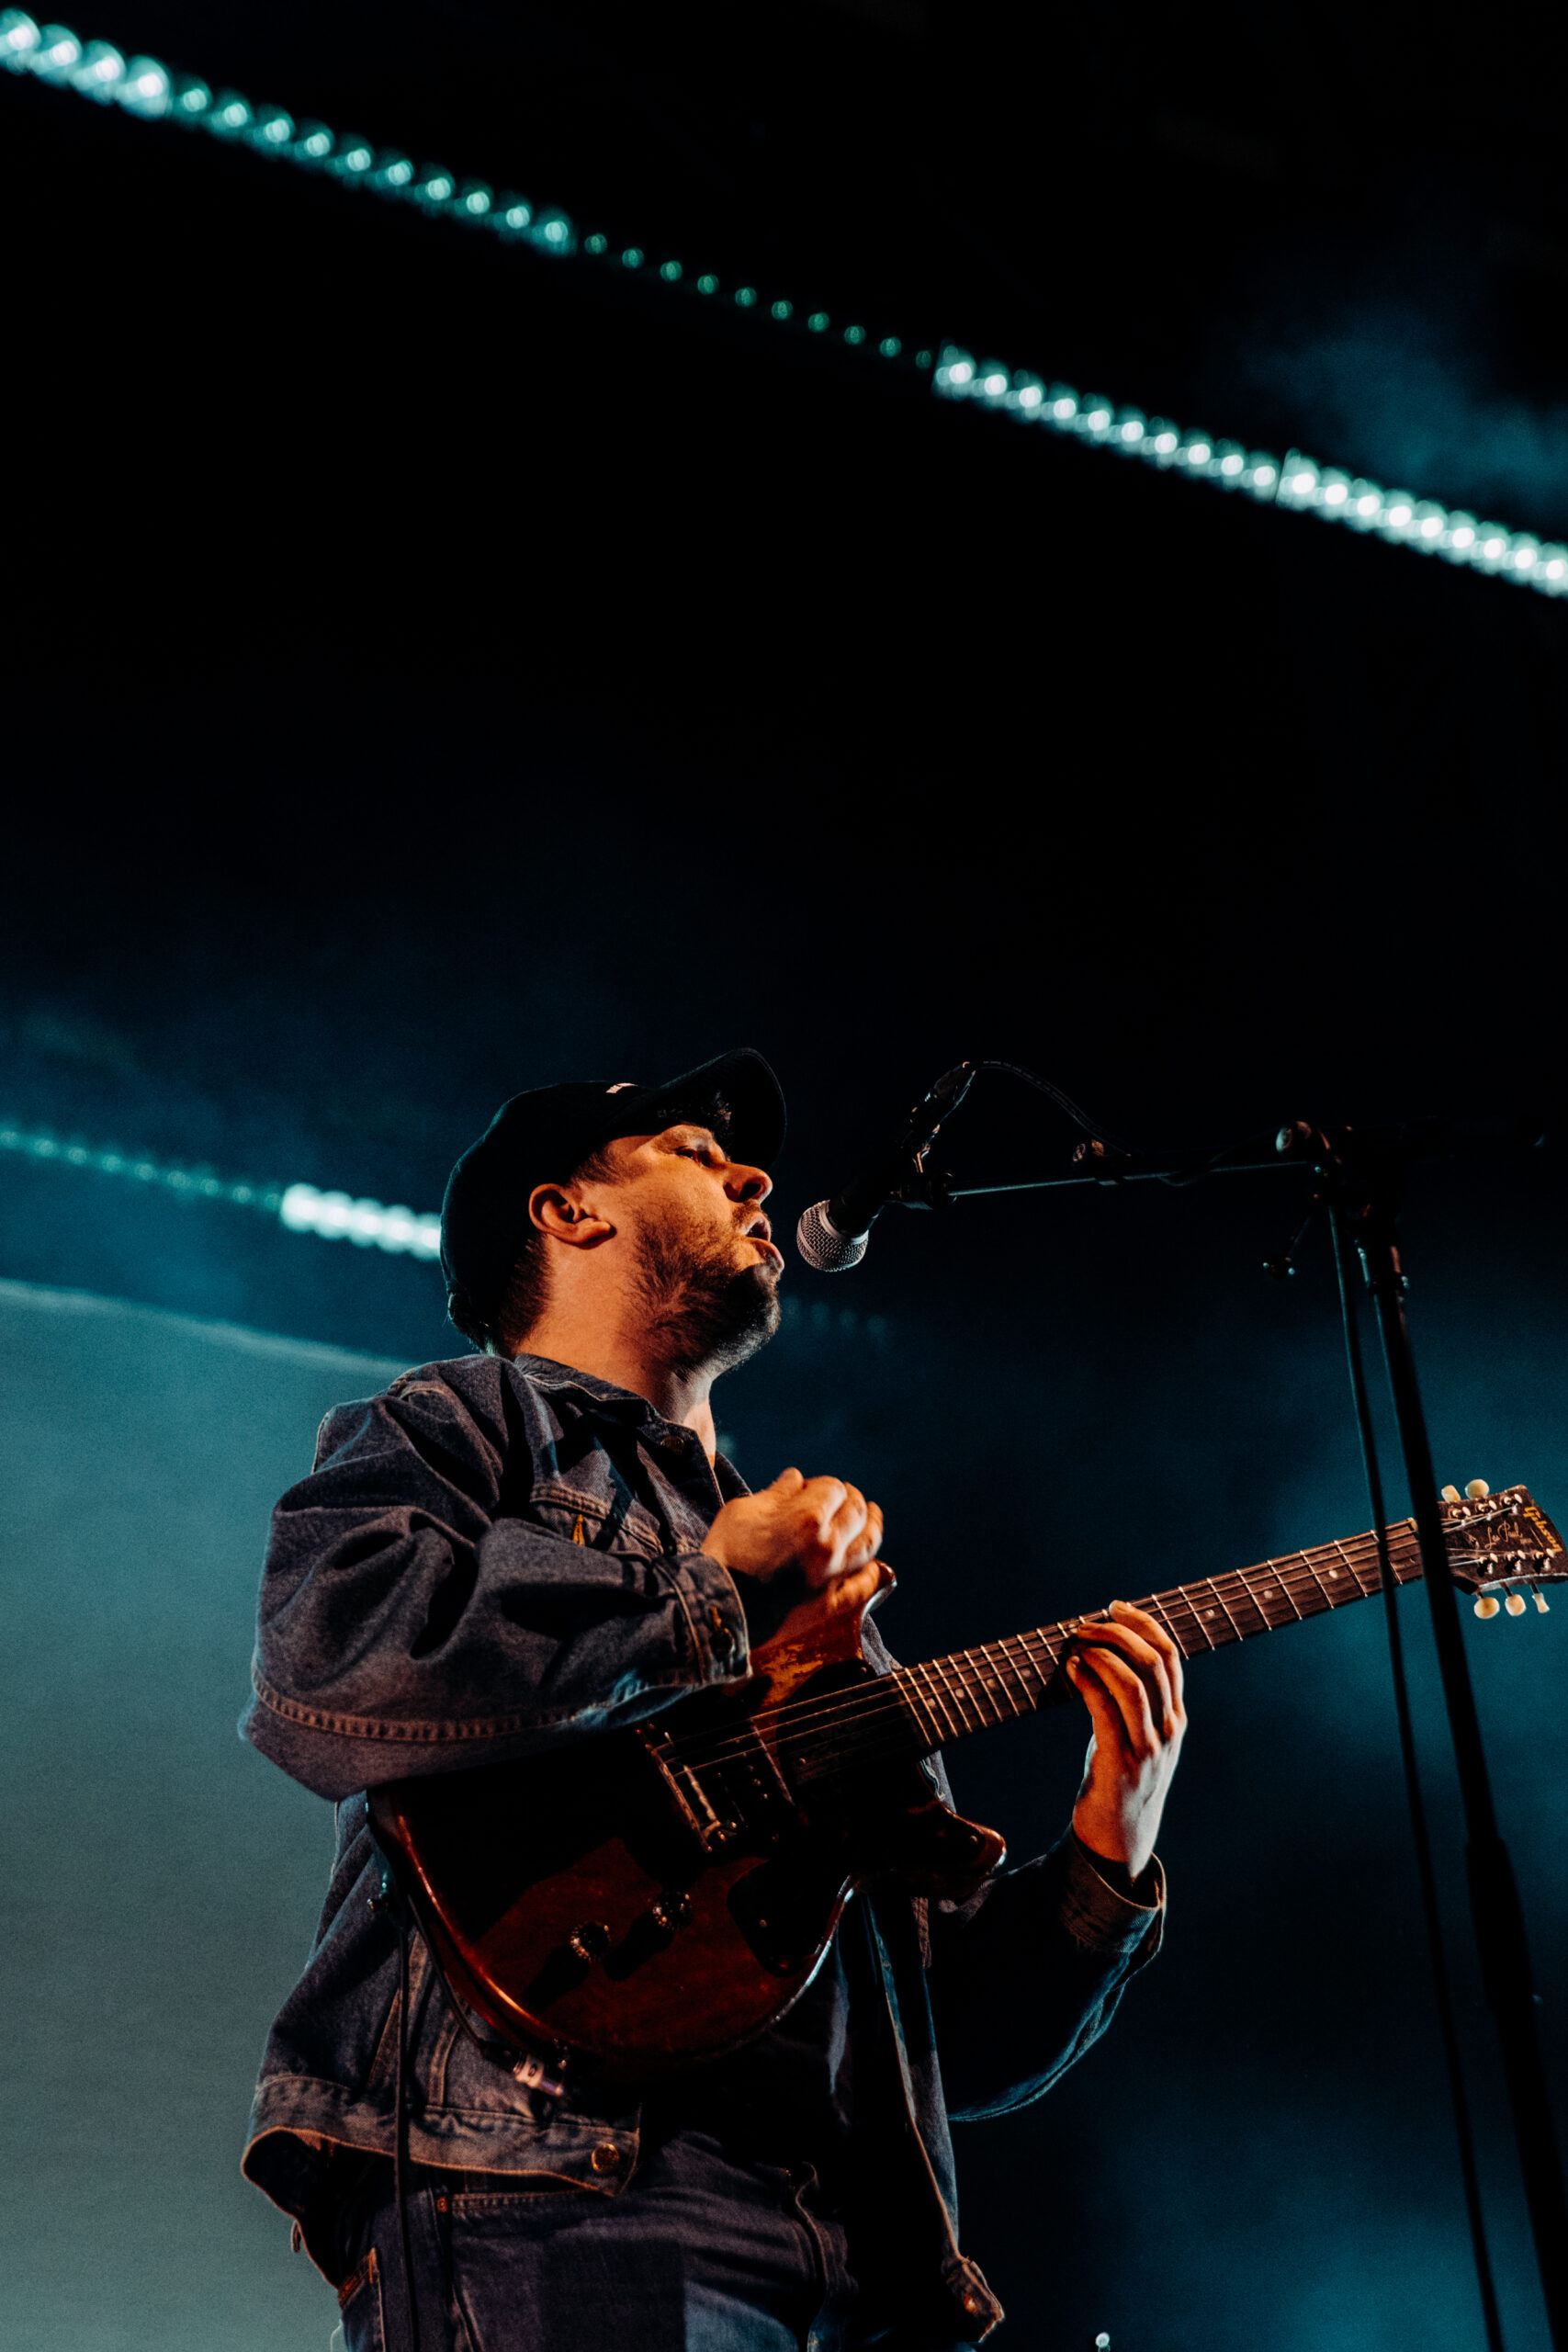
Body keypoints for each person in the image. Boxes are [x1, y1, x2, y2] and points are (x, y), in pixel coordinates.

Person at [240, 1048, 1186, 2352]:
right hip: (558, 2195)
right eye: (693, 1152)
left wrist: (1105, 1849)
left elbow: (949, 2044)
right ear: (567, 1212)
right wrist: (706, 1580)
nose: (753, 1175)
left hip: (846, 2258)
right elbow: (333, 1667)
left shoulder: (822, 1611)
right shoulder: (465, 1426)